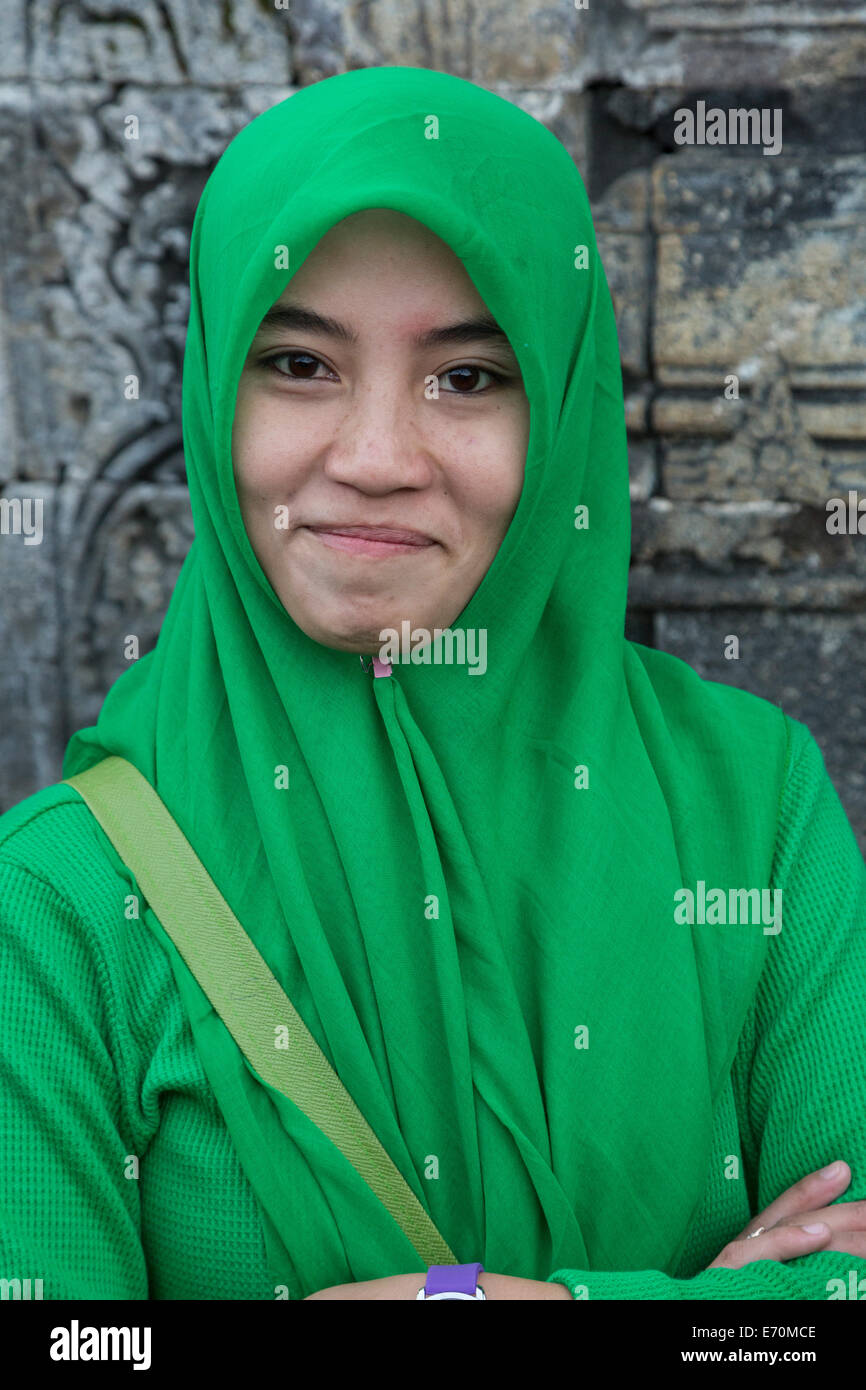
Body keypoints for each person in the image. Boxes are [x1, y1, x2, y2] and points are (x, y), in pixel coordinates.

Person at [1, 65, 864, 1302]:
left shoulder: (749, 810)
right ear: (209, 391)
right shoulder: (59, 909)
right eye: (298, 363)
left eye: (466, 377)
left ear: (560, 408)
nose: (373, 458)